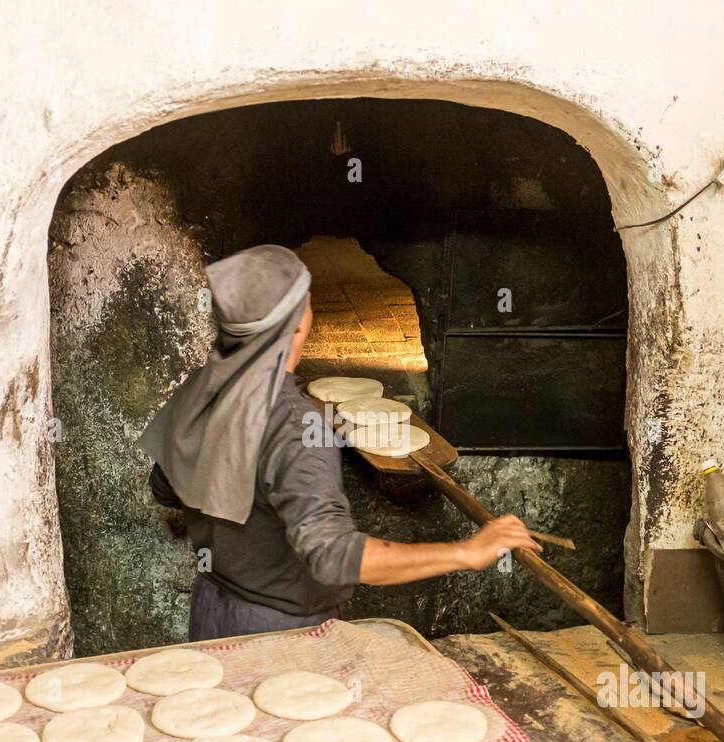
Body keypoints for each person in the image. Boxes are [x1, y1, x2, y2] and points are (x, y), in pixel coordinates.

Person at [141, 244, 540, 643]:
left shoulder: (200, 388)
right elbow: (332, 556)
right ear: (298, 321)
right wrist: (466, 552)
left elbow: (165, 487)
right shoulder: (297, 425)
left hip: (211, 608)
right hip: (280, 633)